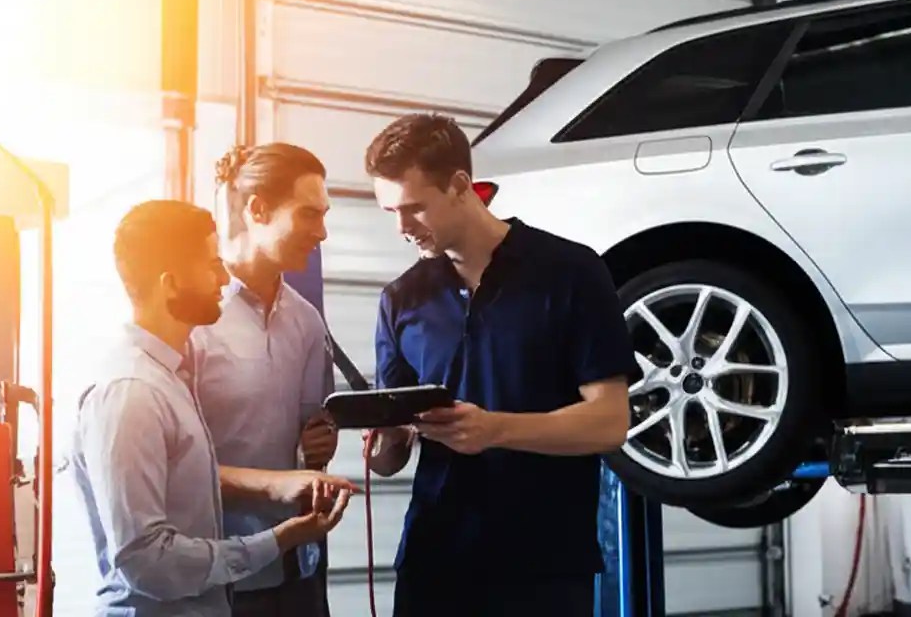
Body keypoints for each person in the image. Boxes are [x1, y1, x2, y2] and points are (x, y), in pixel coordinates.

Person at [362, 114, 633, 616]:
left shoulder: (572, 273)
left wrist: (494, 429)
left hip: (543, 570)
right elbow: (389, 459)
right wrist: (385, 441)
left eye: (414, 208)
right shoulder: (401, 299)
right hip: (432, 565)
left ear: (461, 185)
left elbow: (611, 420)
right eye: (390, 211)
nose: (401, 228)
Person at [69, 199, 353, 617]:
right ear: (170, 284)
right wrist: (278, 539)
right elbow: (147, 561)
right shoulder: (131, 393)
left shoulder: (169, 377)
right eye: (210, 264)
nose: (224, 277)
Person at [190, 143, 338, 617]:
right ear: (257, 209)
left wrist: (317, 444)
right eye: (309, 215)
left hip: (297, 573)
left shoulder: (308, 323)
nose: (322, 232)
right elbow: (174, 467)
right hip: (218, 576)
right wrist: (273, 484)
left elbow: (306, 441)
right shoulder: (194, 321)